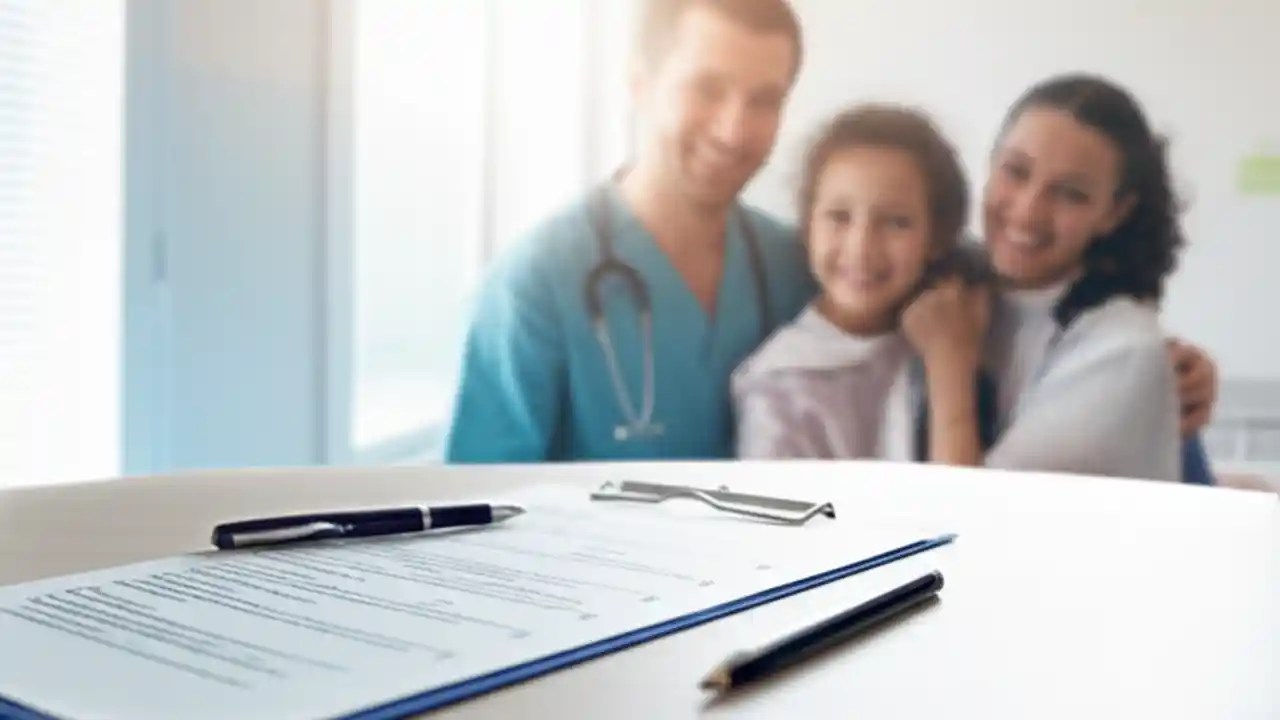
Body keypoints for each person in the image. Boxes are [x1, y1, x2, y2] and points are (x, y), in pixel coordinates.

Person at [444, 0, 1219, 469]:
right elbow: (475, 517)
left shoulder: (794, 262)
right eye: (706, 88)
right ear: (640, 86)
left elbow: (1007, 285)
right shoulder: (536, 284)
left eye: (764, 98)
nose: (734, 127)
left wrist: (1166, 370)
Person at [731, 105, 997, 465]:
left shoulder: (949, 332)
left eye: (896, 222)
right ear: (808, 226)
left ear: (936, 238)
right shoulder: (781, 387)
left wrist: (949, 363)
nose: (861, 247)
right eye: (839, 217)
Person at [968, 73, 1190, 481]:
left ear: (1114, 213)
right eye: (1015, 171)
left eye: (1071, 193)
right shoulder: (949, 280)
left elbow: (980, 515)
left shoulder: (1123, 350)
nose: (1028, 211)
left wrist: (946, 360)